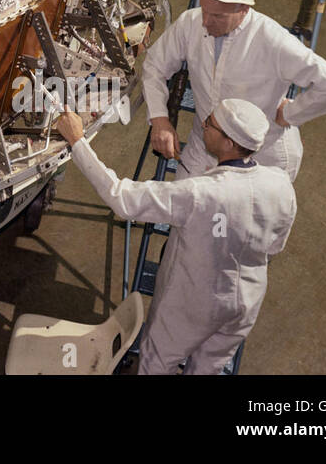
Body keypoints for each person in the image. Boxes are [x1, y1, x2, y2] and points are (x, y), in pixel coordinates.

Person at [57, 98, 296, 375]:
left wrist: (77, 141)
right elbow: (275, 246)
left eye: (211, 125)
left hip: (195, 302)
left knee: (155, 363)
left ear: (230, 143)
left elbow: (122, 198)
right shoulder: (280, 183)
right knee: (207, 368)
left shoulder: (201, 193)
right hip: (246, 303)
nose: (203, 125)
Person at [143, 0, 326, 181]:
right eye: (204, 9)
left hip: (261, 159)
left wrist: (291, 114)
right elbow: (154, 65)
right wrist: (160, 119)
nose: (205, 22)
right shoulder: (190, 23)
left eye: (218, 16)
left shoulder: (272, 41)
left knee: (242, 213)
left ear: (244, 9)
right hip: (204, 149)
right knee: (184, 209)